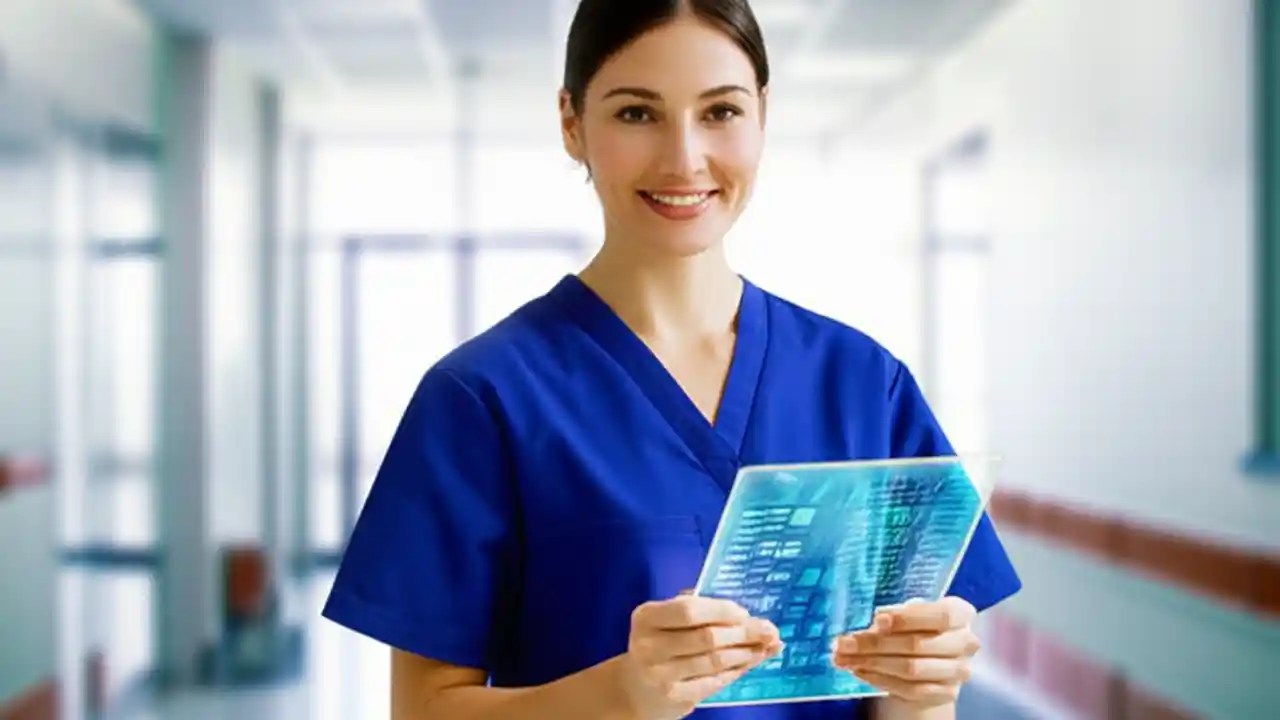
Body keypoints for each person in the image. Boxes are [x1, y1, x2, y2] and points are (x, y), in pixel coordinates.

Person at [321, 0, 1021, 717]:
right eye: (636, 114)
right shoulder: (483, 399)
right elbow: (424, 710)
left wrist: (922, 687)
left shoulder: (864, 386)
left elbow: (902, 707)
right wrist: (622, 694)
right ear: (572, 123)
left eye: (720, 112)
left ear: (762, 116)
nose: (684, 158)